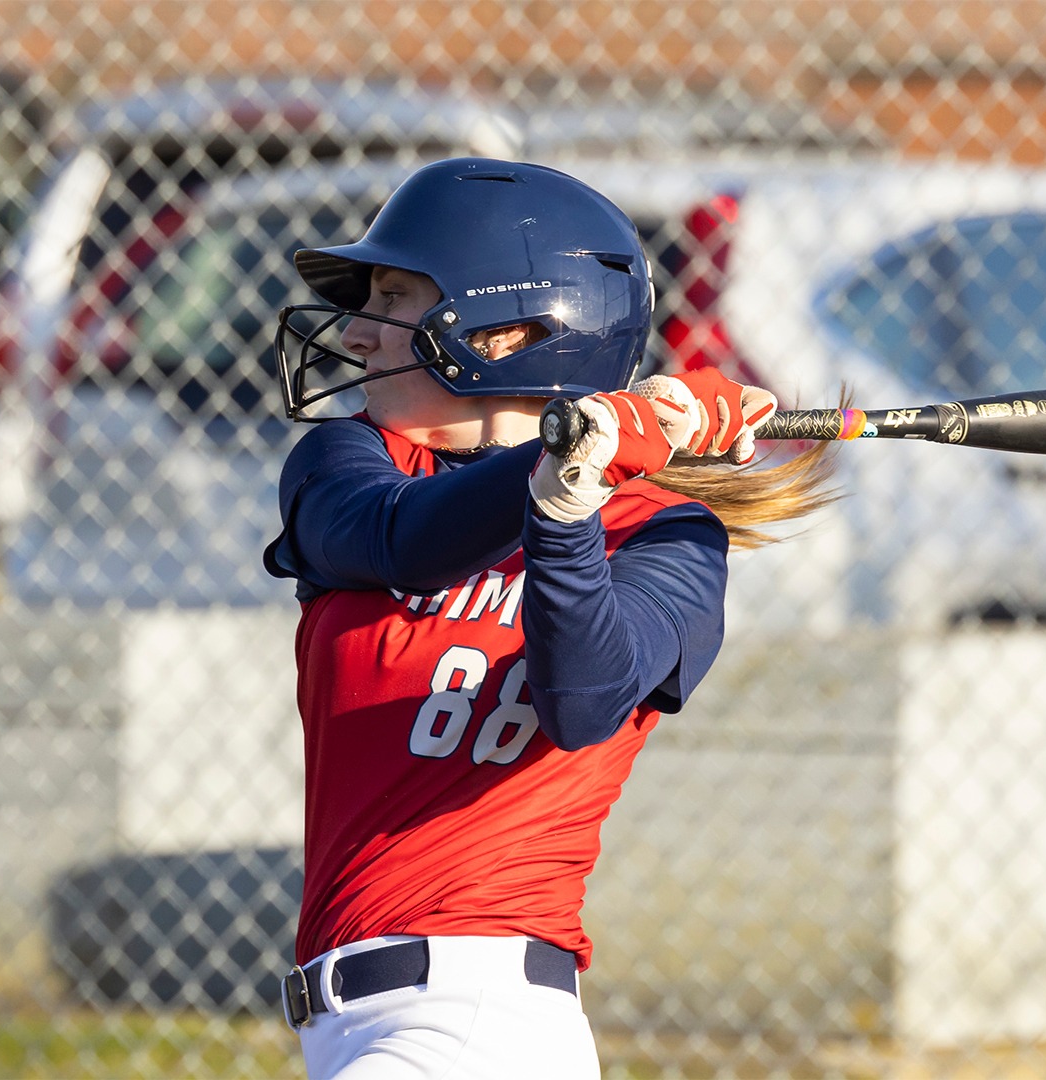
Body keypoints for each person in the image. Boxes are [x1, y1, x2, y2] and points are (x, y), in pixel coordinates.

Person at [261, 157, 833, 1079]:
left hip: (482, 1021)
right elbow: (396, 540)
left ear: (510, 333)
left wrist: (568, 513)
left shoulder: (666, 531)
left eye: (395, 299)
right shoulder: (350, 464)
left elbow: (585, 697)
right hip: (348, 1027)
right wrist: (572, 454)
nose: (360, 335)